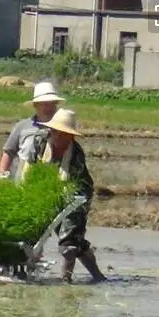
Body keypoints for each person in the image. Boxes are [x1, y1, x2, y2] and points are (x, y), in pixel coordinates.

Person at [25, 109, 107, 284]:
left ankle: (65, 279)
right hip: (49, 189)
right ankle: (98, 276)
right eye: (55, 131)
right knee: (65, 237)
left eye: (63, 134)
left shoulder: (76, 154)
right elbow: (30, 167)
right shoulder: (40, 140)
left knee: (69, 240)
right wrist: (27, 192)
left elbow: (71, 185)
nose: (58, 136)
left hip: (76, 194)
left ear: (70, 136)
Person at [0, 81, 64, 180]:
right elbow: (8, 152)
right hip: (21, 184)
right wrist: (1, 176)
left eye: (52, 103)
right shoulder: (22, 126)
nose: (49, 108)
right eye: (45, 104)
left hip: (50, 184)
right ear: (36, 105)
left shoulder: (62, 128)